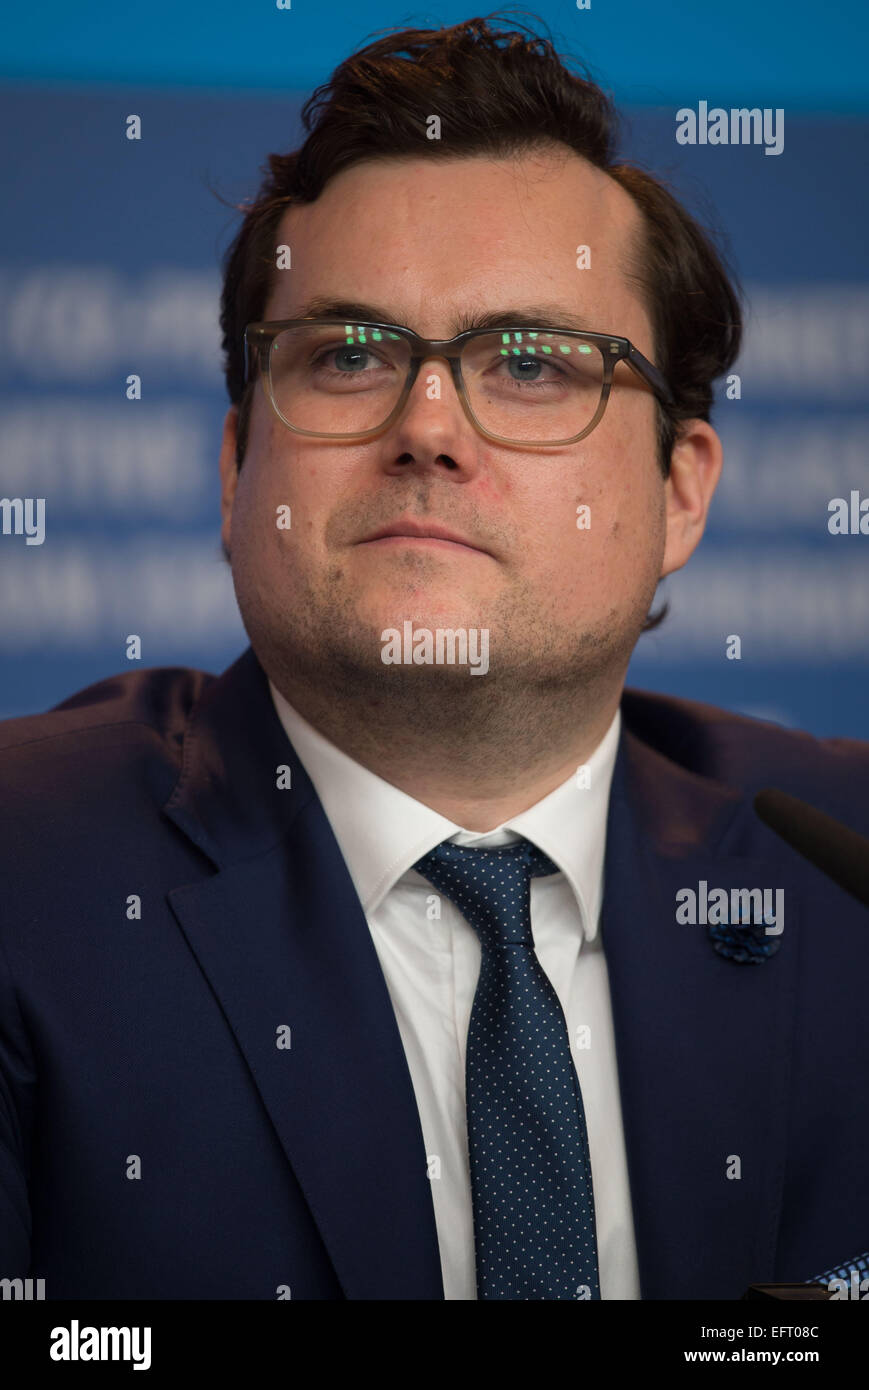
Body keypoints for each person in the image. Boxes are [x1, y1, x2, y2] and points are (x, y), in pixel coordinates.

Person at [1, 14, 868, 1302]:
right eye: (350, 355)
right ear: (240, 470)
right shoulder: (25, 878)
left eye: (530, 365)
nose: (427, 427)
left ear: (680, 493)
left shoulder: (839, 874)